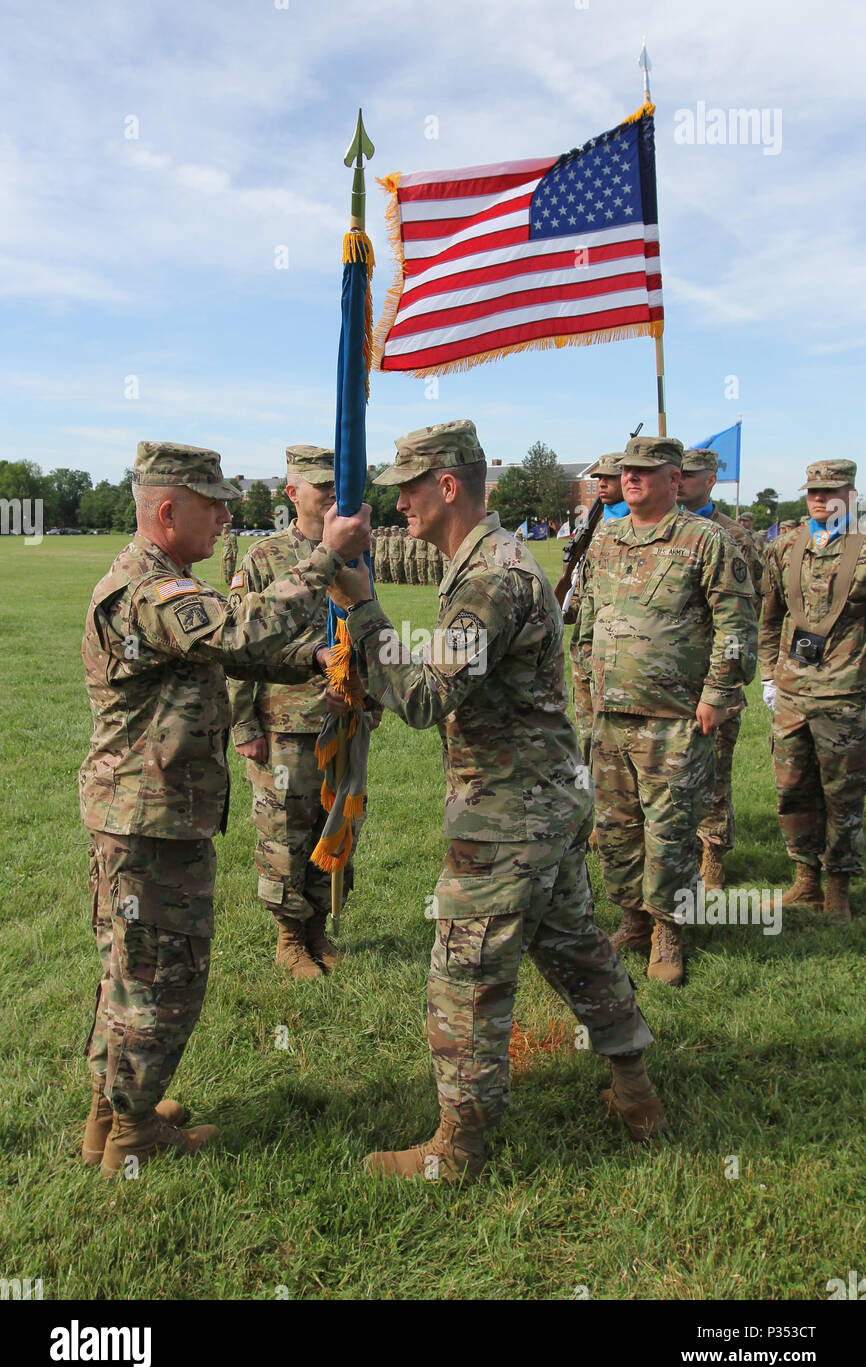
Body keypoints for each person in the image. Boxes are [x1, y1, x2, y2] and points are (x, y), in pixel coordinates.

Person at [323, 420, 663, 1183]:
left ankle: (460, 1148)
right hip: (543, 807)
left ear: (447, 486)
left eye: (407, 490)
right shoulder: (488, 561)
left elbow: (420, 697)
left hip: (508, 821)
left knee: (465, 981)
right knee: (577, 949)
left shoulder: (490, 580)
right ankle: (636, 1091)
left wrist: (364, 609)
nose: (399, 504)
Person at [80, 440, 369, 1176]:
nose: (227, 516)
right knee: (160, 978)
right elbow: (236, 628)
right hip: (149, 822)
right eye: (214, 504)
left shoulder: (166, 581)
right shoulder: (146, 590)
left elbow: (231, 651)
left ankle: (111, 1116)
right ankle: (134, 1136)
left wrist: (311, 660)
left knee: (128, 971)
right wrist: (324, 559)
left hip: (150, 814)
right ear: (169, 509)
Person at [577, 436, 757, 984]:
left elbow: (736, 623)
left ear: (675, 480)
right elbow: (587, 611)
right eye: (628, 470)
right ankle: (632, 919)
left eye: (647, 471)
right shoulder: (606, 537)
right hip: (610, 713)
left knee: (671, 830)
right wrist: (586, 677)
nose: (632, 478)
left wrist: (717, 694)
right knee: (614, 828)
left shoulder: (704, 540)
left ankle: (668, 931)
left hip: (676, 717)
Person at [227, 446, 363, 978]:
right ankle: (288, 938)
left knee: (333, 827)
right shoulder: (264, 559)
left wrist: (367, 700)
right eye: (321, 485)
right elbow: (237, 649)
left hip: (339, 720)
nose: (333, 494)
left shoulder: (355, 555)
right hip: (282, 725)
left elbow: (369, 631)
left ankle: (316, 930)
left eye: (338, 485)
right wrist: (244, 725)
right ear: (292, 494)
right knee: (284, 835)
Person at [759, 460, 866, 921]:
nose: (820, 498)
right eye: (813, 491)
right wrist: (767, 674)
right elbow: (769, 618)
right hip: (792, 692)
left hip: (846, 691)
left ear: (851, 491)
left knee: (843, 794)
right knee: (792, 789)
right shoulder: (785, 547)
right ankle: (805, 880)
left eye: (831, 490)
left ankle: (838, 887)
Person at [678, 448, 763, 888]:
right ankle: (682, 852)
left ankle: (713, 855)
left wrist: (724, 681)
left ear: (710, 480)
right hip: (672, 680)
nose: (681, 482)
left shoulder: (736, 538)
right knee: (678, 774)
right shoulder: (667, 530)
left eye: (690, 476)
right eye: (678, 475)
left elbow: (746, 615)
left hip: (716, 677)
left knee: (714, 772)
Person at [568, 452, 627, 766]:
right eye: (598, 479)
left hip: (618, 650)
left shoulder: (634, 526)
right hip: (585, 646)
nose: (601, 484)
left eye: (609, 478)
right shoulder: (600, 521)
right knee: (588, 734)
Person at [220, 521, 238, 587]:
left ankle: (231, 583)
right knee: (225, 571)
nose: (223, 529)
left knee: (229, 571)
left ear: (228, 529)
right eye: (223, 528)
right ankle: (228, 583)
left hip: (230, 556)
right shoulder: (223, 536)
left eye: (224, 528)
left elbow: (234, 547)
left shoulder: (232, 536)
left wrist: (234, 556)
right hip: (224, 555)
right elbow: (223, 546)